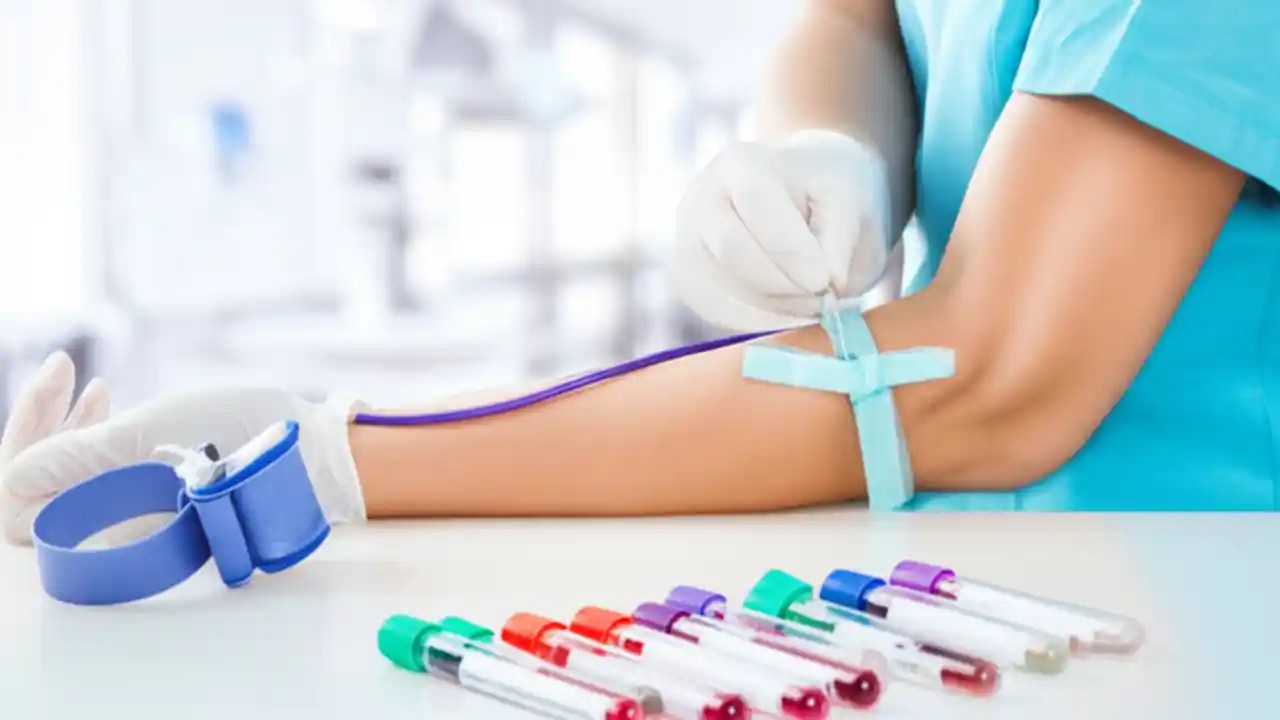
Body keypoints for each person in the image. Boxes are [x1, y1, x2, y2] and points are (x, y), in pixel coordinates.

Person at [4, 0, 1279, 545]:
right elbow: (852, 20)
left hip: (1193, 595)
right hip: (967, 570)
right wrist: (824, 148)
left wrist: (327, 459)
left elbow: (991, 384)